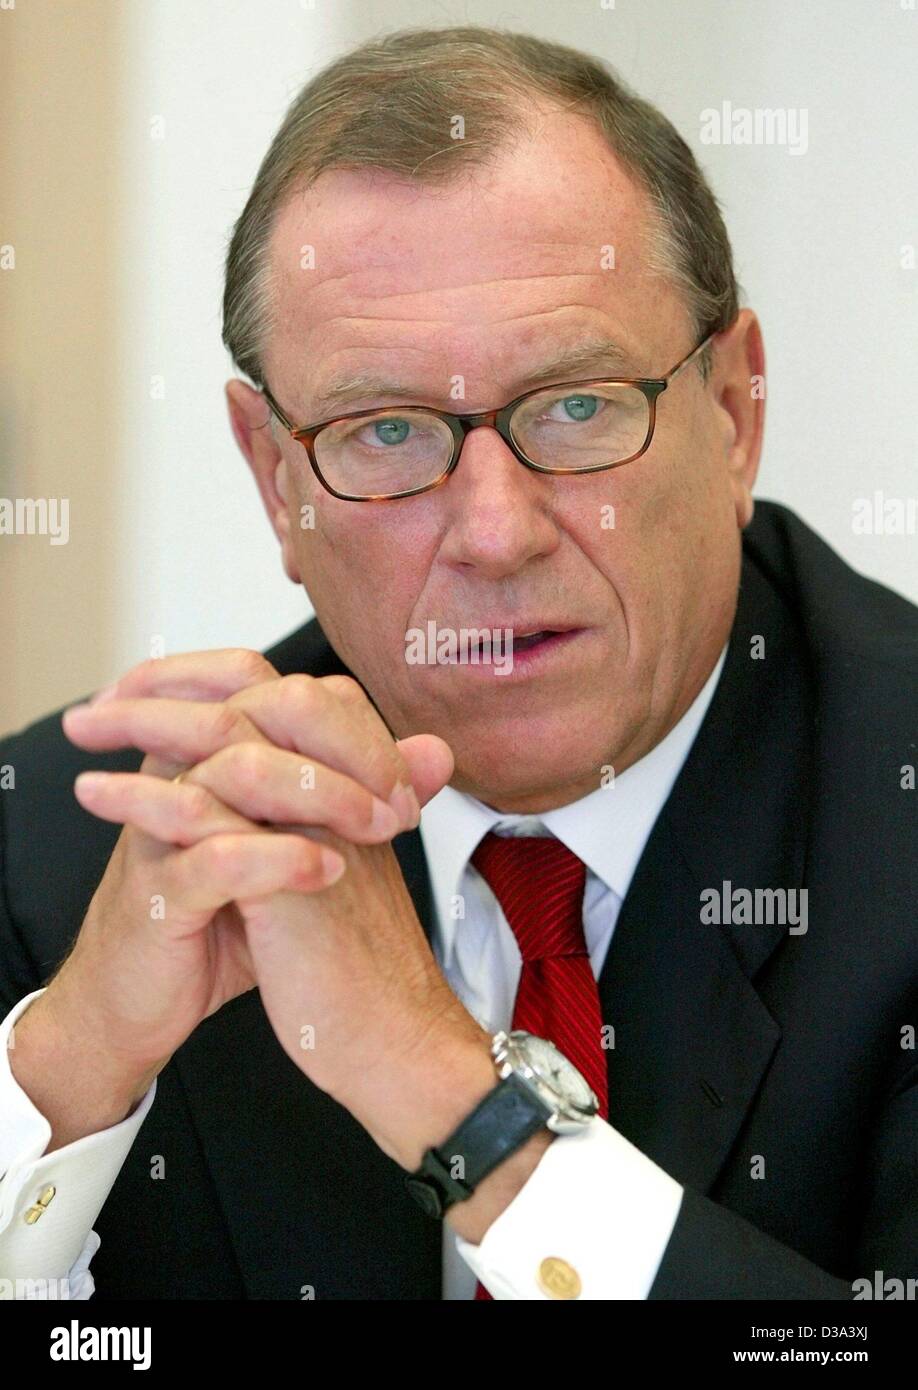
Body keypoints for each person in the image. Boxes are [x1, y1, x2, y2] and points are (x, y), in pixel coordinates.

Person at [0, 26, 914, 1301]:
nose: (494, 530)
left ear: (733, 409)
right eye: (384, 430)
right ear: (278, 480)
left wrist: (453, 1096)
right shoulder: (61, 855)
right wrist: (66, 1073)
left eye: (580, 405)